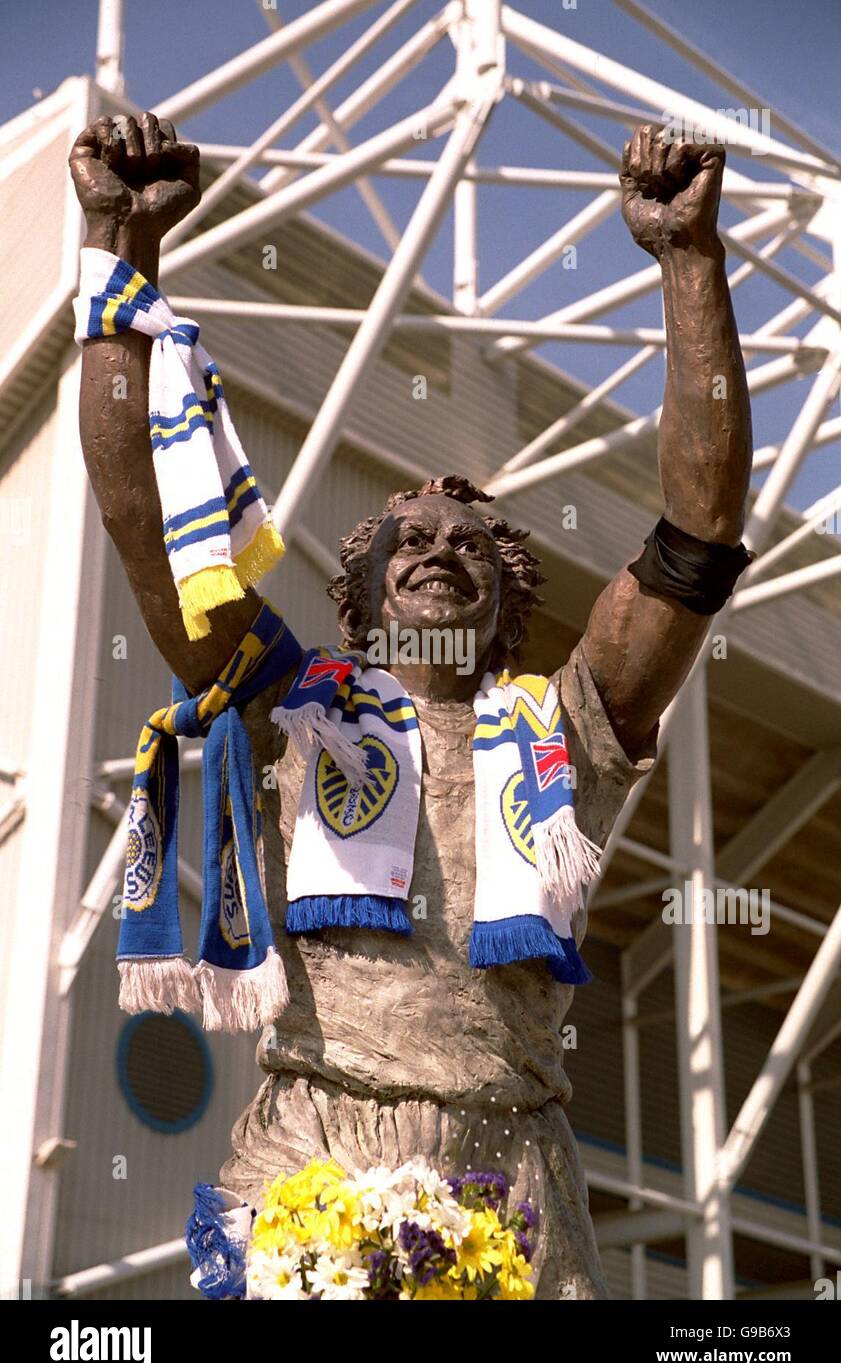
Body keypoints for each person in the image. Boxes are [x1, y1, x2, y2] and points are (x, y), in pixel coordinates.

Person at [69, 113, 752, 1299]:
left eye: (469, 542)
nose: (438, 548)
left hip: (516, 1183)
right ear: (365, 597)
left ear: (505, 604)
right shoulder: (293, 704)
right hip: (309, 1162)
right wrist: (118, 247)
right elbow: (140, 512)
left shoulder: (572, 722)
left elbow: (699, 536)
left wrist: (690, 265)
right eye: (409, 541)